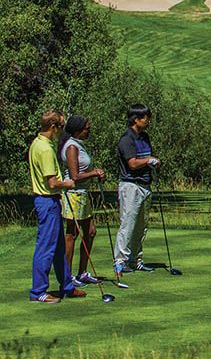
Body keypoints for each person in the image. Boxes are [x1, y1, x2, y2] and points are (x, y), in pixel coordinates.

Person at [28, 109, 87, 303]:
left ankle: (67, 286)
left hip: (49, 201)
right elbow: (52, 183)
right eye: (61, 127)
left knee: (59, 247)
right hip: (47, 200)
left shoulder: (39, 142)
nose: (63, 131)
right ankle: (38, 292)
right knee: (46, 247)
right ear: (53, 127)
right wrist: (68, 183)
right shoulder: (45, 149)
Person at [114, 103, 160, 277]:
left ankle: (135, 260)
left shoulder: (144, 137)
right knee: (128, 223)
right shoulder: (127, 139)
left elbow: (146, 158)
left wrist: (152, 162)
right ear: (136, 119)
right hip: (131, 185)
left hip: (145, 184)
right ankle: (120, 261)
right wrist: (149, 160)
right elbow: (132, 163)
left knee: (142, 225)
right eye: (145, 118)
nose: (148, 121)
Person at [60, 115, 105, 287]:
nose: (89, 131)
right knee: (71, 234)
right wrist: (94, 173)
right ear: (78, 130)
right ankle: (68, 275)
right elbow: (75, 176)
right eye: (87, 128)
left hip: (83, 194)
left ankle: (82, 273)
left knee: (91, 232)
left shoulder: (79, 145)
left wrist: (95, 173)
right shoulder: (72, 147)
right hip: (74, 194)